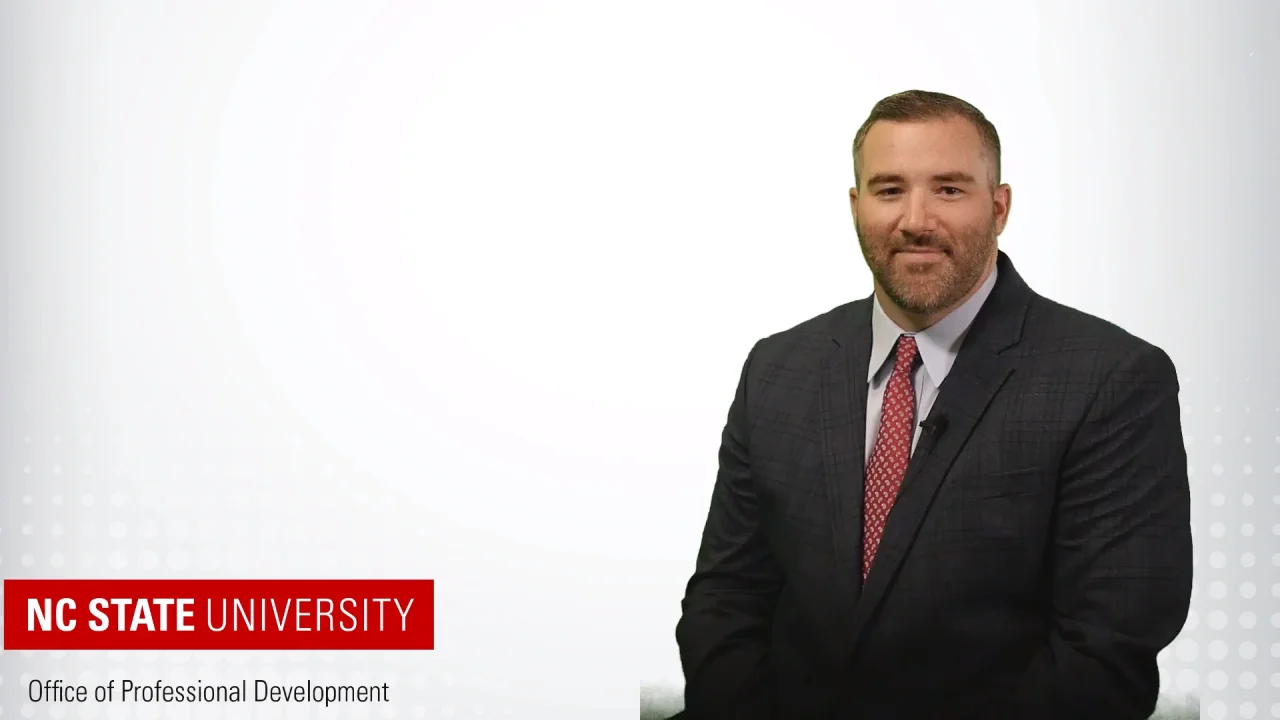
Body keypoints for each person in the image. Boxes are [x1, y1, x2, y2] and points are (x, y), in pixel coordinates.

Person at [673, 90, 1193, 719]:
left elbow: (1104, 655)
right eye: (889, 190)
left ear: (999, 207)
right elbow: (726, 597)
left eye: (948, 189)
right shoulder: (777, 368)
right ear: (856, 206)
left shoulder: (1111, 380)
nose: (915, 219)